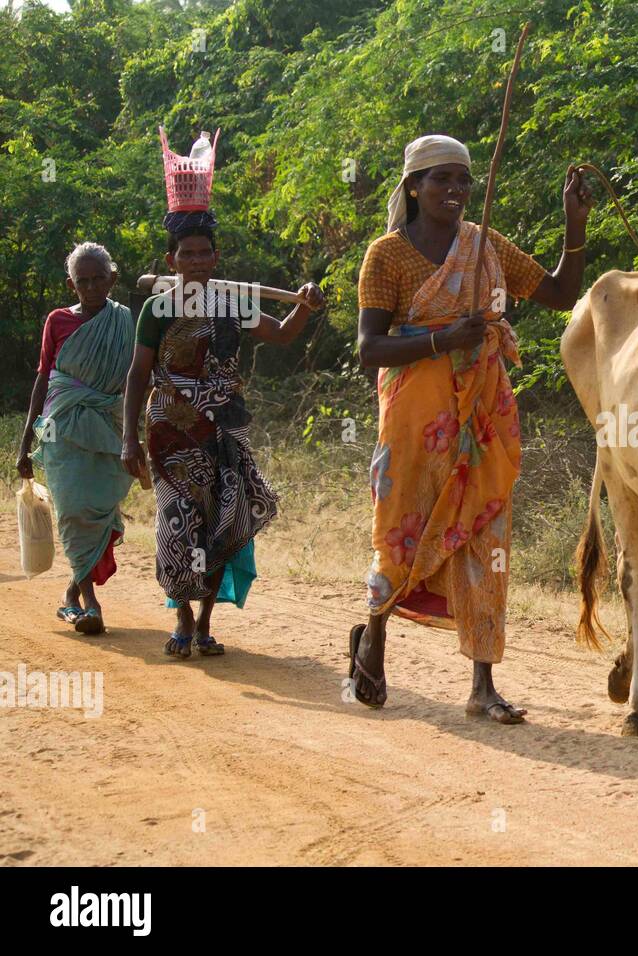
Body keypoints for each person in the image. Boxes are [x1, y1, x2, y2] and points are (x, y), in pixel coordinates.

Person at [351, 133, 592, 720]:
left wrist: (574, 223)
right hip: (414, 421)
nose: (456, 190)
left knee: (486, 536)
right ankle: (373, 638)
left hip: (482, 416)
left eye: (463, 179)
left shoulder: (483, 246)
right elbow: (368, 348)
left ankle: (483, 687)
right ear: (414, 186)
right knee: (402, 533)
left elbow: (560, 294)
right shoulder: (387, 255)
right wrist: (440, 339)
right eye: (442, 179)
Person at [120, 211, 325, 657]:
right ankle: (182, 616)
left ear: (215, 257)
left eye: (204, 252)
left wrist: (305, 304)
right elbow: (138, 374)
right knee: (178, 524)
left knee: (220, 520)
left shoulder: (233, 302)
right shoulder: (158, 308)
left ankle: (206, 621)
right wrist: (128, 438)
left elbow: (284, 334)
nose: (196, 260)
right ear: (171, 259)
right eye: (186, 253)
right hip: (170, 434)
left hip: (223, 431)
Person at [15, 242, 136, 634]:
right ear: (72, 285)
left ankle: (71, 593)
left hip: (108, 429)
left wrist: (138, 432)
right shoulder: (58, 321)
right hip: (60, 429)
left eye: (98, 278)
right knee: (71, 513)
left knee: (101, 514)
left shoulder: (125, 321)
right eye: (82, 281)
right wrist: (24, 445)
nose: (90, 287)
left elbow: (137, 378)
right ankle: (91, 604)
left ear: (112, 279)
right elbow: (43, 379)